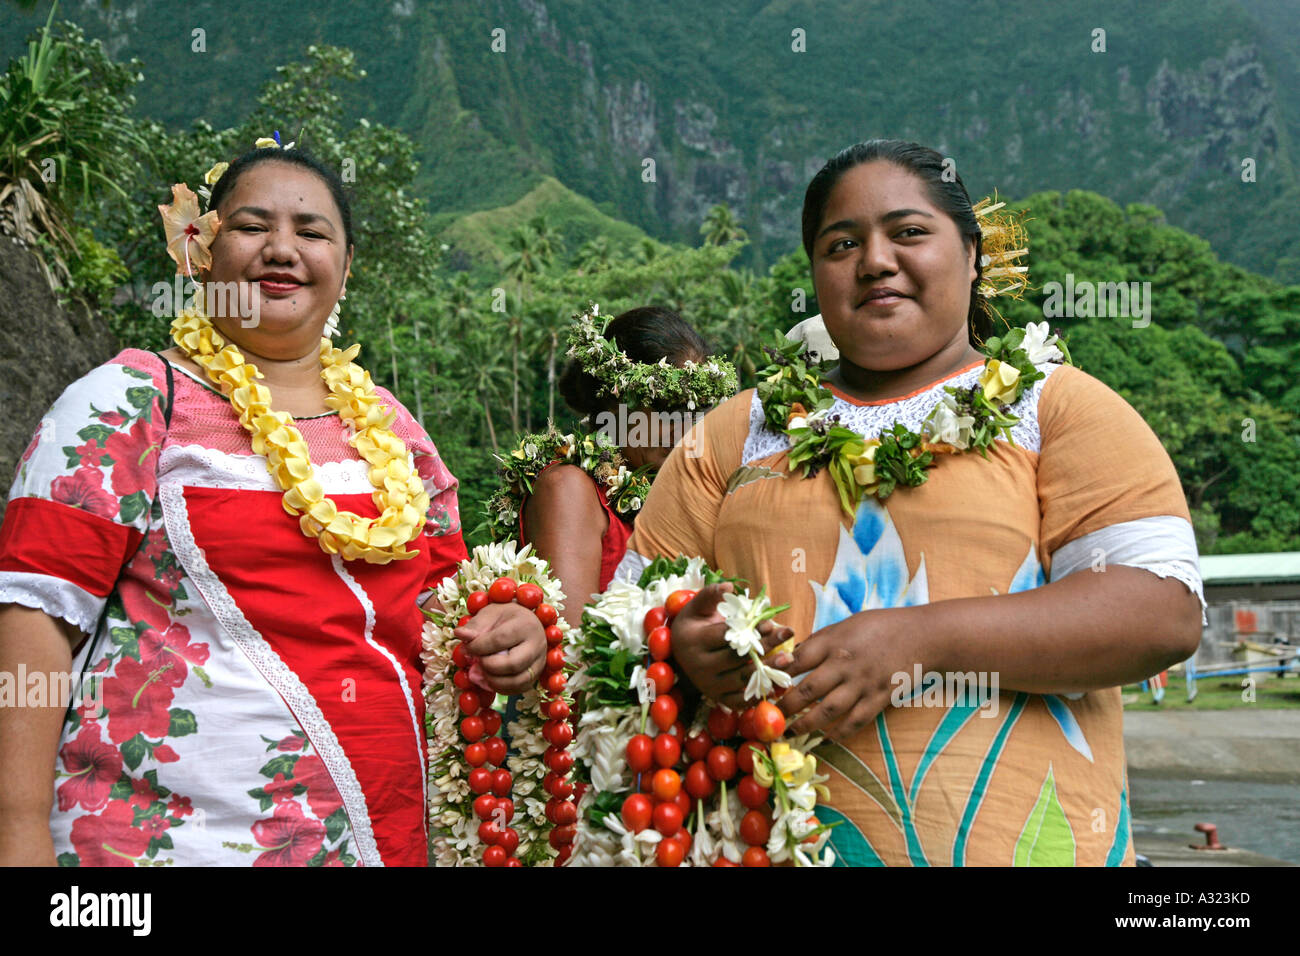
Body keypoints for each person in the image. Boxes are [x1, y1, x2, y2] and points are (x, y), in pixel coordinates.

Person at [618, 140, 1204, 866]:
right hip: (765, 842)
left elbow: (1162, 612)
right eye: (841, 244)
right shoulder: (733, 432)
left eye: (909, 232)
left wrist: (924, 641)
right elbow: (623, 616)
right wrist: (685, 644)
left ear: (973, 255)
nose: (874, 261)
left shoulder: (1057, 408)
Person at [0, 141, 545, 867]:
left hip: (386, 842)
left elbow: (448, 618)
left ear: (346, 267)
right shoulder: (129, 401)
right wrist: (16, 831)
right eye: (253, 226)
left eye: (312, 232)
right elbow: (33, 622)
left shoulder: (395, 431)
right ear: (200, 249)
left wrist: (512, 633)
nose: (282, 249)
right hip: (159, 850)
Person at [490, 306, 736, 628]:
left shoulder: (684, 495)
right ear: (613, 402)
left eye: (695, 409)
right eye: (664, 406)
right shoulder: (568, 489)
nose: (684, 427)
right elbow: (572, 643)